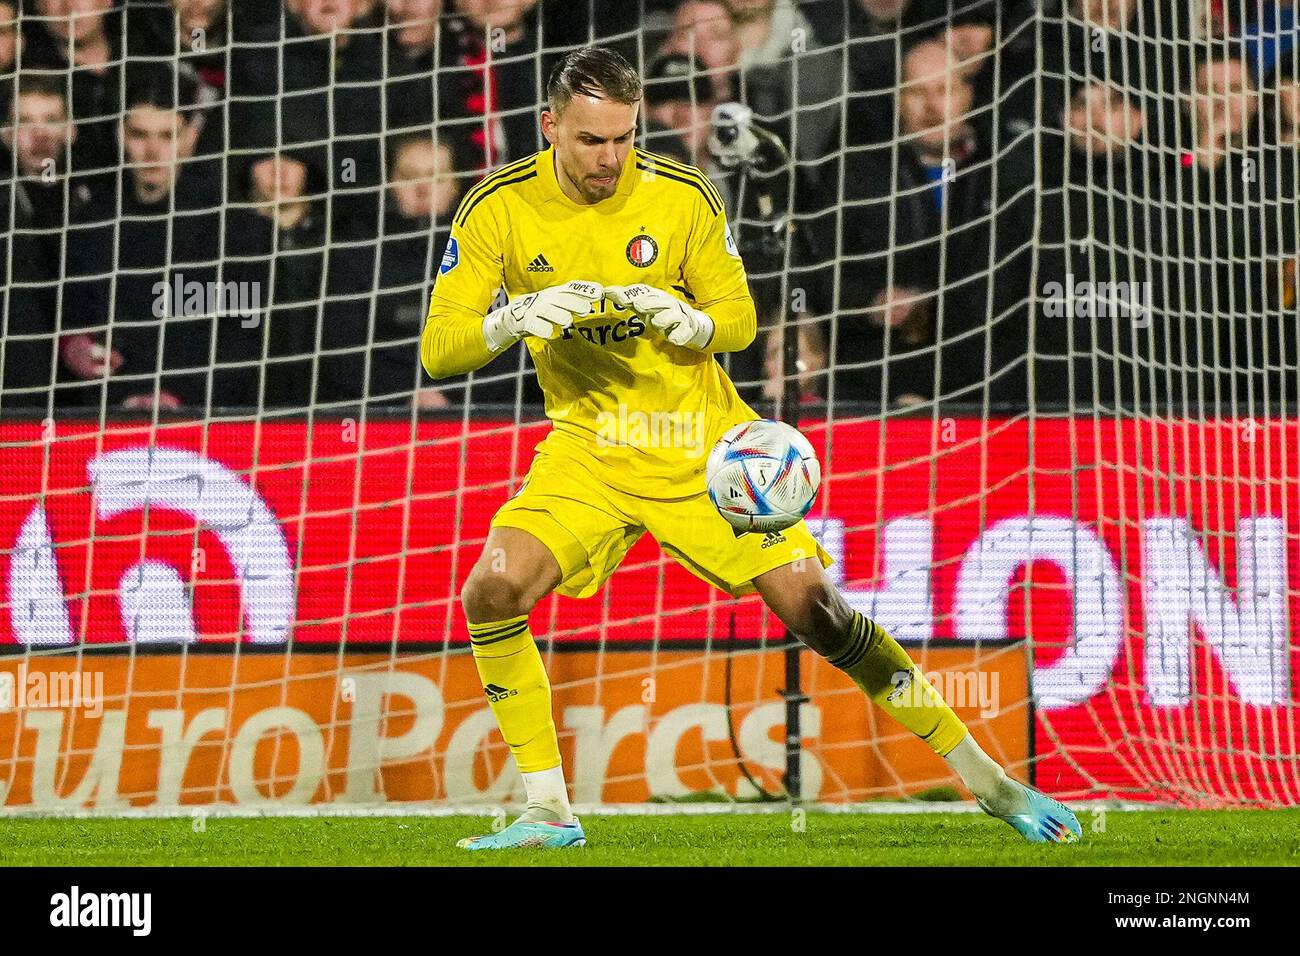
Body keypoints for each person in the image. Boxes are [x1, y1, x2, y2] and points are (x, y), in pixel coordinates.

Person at [420, 45, 1081, 850]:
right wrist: (509, 320)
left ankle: (992, 781)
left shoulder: (681, 196)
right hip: (589, 448)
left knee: (824, 614)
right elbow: (439, 351)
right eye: (592, 140)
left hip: (708, 453)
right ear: (550, 126)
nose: (611, 159)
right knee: (492, 591)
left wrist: (690, 322)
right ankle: (549, 810)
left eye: (624, 138)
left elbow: (739, 320)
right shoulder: (496, 206)